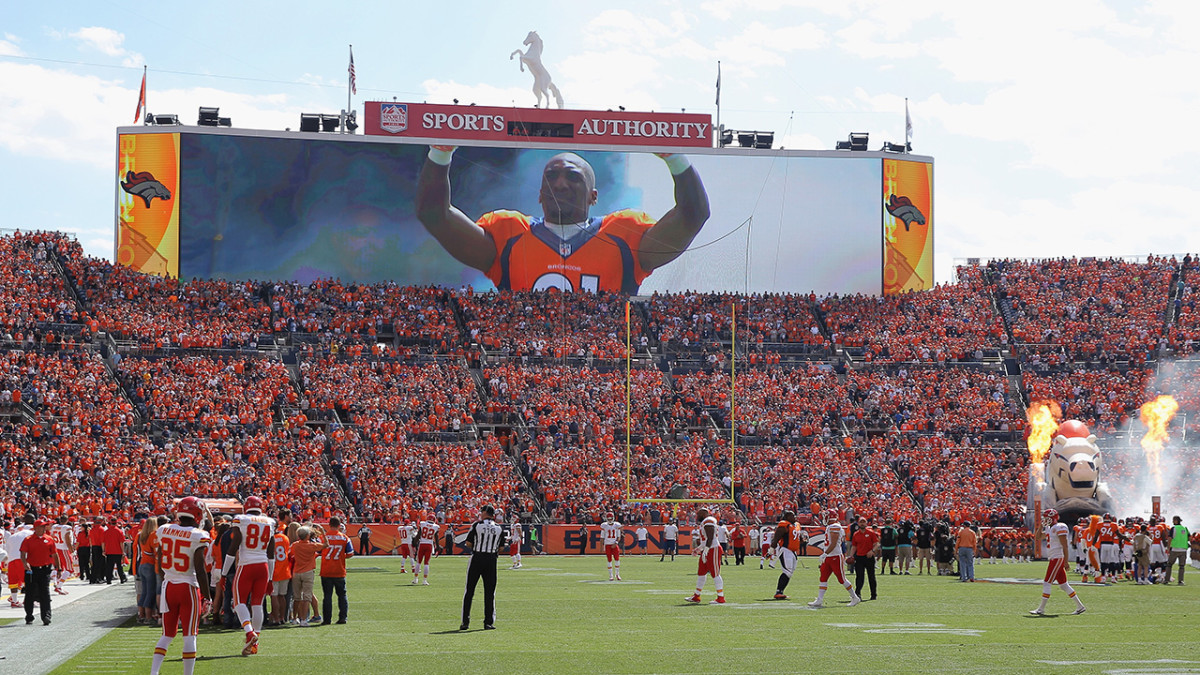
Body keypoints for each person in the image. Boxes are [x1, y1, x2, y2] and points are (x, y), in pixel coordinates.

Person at [416, 147, 710, 294]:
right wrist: (440, 153)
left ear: (593, 196)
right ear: (539, 194)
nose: (560, 184)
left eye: (573, 177)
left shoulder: (624, 236)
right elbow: (435, 215)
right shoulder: (509, 234)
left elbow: (693, 215)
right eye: (551, 177)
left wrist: (675, 157)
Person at [150, 497, 212, 675]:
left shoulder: (164, 529)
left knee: (167, 634)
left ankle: (154, 672)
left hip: (169, 586)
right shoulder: (198, 535)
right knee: (190, 635)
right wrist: (207, 597)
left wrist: (167, 578)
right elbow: (200, 569)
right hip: (188, 587)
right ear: (197, 514)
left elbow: (160, 559)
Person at [222, 496, 277, 655]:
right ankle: (255, 643)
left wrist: (224, 573)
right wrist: (270, 578)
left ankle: (249, 632)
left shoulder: (241, 519)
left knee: (239, 602)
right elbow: (271, 553)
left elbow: (234, 546)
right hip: (263, 566)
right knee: (257, 604)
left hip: (246, 565)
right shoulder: (269, 522)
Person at [1030, 509, 1086, 616]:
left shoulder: (1060, 527)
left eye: (1047, 518)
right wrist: (1041, 526)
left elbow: (1065, 545)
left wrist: (1066, 561)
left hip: (1057, 557)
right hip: (1054, 557)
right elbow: (1038, 537)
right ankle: (1080, 606)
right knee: (1064, 585)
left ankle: (1041, 609)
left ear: (1053, 518)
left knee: (1047, 582)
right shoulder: (1049, 528)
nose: (1046, 520)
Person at [461, 505, 506, 631]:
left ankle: (465, 622)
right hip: (491, 560)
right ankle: (488, 622)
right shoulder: (498, 528)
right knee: (490, 592)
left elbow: (468, 543)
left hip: (477, 558)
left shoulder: (477, 525)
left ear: (485, 512)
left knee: (469, 591)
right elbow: (501, 547)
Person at [808, 509, 860, 609]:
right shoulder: (831, 526)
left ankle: (854, 597)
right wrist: (826, 555)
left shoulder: (835, 526)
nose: (824, 518)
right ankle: (819, 599)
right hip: (829, 557)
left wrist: (825, 553)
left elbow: (834, 543)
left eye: (826, 516)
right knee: (823, 577)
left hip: (835, 556)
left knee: (841, 579)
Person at [20, 519, 60, 625]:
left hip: (45, 569)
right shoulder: (28, 540)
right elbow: (23, 553)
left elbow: (55, 554)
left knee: (45, 593)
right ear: (36, 528)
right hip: (32, 570)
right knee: (30, 593)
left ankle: (46, 616)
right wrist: (25, 563)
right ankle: (29, 615)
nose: (43, 528)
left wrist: (58, 568)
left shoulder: (49, 539)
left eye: (44, 527)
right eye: (41, 526)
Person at [685, 508, 726, 604]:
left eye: (698, 514)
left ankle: (721, 597)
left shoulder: (708, 520)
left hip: (713, 549)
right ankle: (696, 596)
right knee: (701, 572)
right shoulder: (705, 522)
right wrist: (699, 549)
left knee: (715, 573)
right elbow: (705, 540)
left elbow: (710, 538)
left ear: (703, 514)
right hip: (708, 549)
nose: (697, 516)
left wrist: (706, 550)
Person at [289, 526, 325, 626]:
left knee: (296, 597)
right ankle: (304, 619)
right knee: (307, 597)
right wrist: (322, 533)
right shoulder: (312, 545)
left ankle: (294, 618)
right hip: (308, 572)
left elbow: (290, 554)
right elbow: (326, 545)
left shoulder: (295, 545)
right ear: (308, 535)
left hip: (296, 572)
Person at [320, 516, 354, 624]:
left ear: (329, 525)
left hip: (326, 570)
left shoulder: (323, 537)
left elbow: (317, 551)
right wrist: (341, 557)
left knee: (327, 596)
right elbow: (350, 553)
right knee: (342, 595)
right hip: (339, 570)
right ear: (339, 526)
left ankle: (327, 620)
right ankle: (343, 617)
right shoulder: (344, 538)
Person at [5, 514, 33, 607]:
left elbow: (7, 549)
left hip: (11, 558)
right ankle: (27, 600)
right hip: (23, 559)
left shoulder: (13, 535)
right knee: (27, 581)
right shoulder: (30, 534)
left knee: (13, 581)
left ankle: (14, 600)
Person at [851, 516, 880, 600]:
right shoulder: (856, 534)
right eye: (861, 522)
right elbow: (854, 546)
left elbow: (877, 544)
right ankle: (857, 594)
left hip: (869, 557)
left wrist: (872, 551)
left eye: (864, 522)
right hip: (859, 557)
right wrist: (851, 555)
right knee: (859, 576)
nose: (862, 523)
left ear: (866, 523)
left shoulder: (871, 533)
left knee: (871, 576)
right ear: (858, 523)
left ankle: (873, 594)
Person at [771, 511, 798, 600]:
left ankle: (780, 592)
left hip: (793, 551)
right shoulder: (784, 525)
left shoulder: (795, 525)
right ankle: (778, 592)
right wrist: (772, 548)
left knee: (790, 572)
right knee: (787, 571)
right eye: (792, 515)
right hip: (786, 550)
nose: (795, 517)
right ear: (787, 517)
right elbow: (777, 537)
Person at [270, 521, 292, 626]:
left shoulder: (270, 539)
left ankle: (276, 618)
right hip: (285, 570)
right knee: (282, 596)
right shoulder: (285, 538)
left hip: (274, 571)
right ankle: (282, 617)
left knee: (274, 596)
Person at [1165, 515, 1190, 585]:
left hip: (1175, 549)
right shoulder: (1185, 528)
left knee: (1169, 565)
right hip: (1183, 550)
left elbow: (1170, 538)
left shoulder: (1174, 528)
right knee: (1182, 566)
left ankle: (1166, 580)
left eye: (1173, 520)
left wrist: (1168, 548)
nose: (1172, 521)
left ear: (1176, 521)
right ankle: (1180, 581)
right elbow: (1189, 538)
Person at [413, 513, 437, 585]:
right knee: (426, 563)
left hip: (422, 544)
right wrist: (438, 547)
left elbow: (419, 534)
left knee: (418, 562)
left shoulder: (423, 524)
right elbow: (436, 538)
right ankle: (424, 580)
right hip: (429, 545)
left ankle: (415, 579)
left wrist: (414, 543)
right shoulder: (435, 527)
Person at [103, 517, 127, 584]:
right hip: (118, 551)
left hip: (109, 551)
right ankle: (122, 579)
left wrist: (103, 550)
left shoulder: (106, 532)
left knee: (109, 567)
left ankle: (108, 580)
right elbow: (121, 542)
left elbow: (103, 542)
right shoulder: (119, 531)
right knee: (119, 566)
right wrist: (123, 551)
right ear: (116, 523)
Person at [600, 512, 623, 581]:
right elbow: (602, 537)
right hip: (607, 544)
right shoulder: (604, 526)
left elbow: (619, 536)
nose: (610, 520)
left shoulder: (616, 525)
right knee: (609, 560)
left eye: (611, 518)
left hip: (614, 544)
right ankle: (611, 575)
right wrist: (601, 546)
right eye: (608, 518)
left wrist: (616, 543)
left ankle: (617, 574)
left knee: (617, 559)